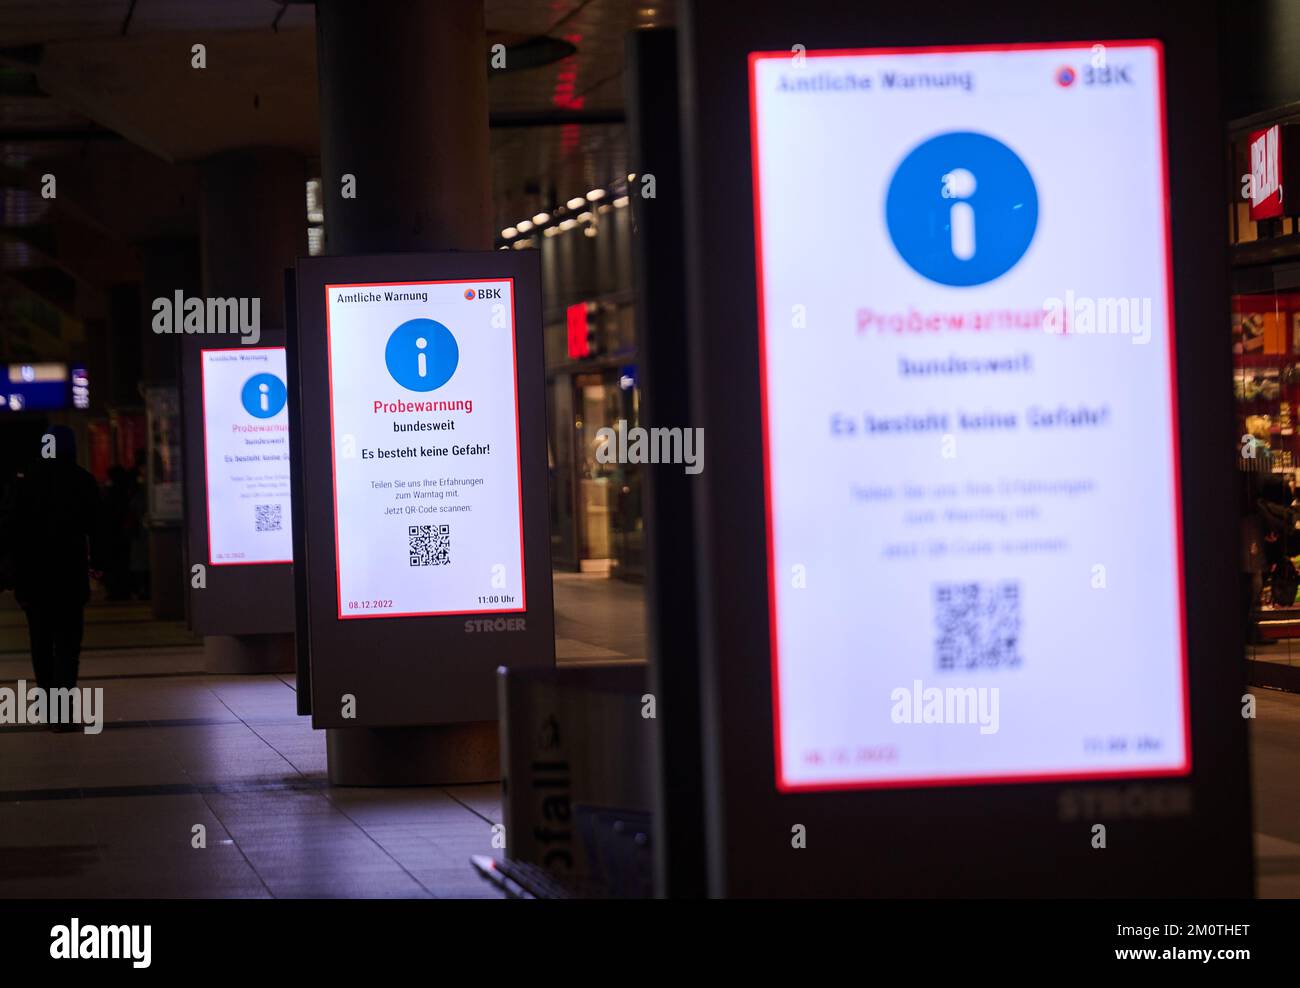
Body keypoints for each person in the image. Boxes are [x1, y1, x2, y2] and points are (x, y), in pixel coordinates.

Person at [9, 425, 102, 729]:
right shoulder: (82, 481)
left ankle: (47, 708)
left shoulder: (25, 483)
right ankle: (63, 712)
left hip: (33, 580)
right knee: (67, 646)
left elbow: (9, 532)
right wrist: (98, 565)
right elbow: (98, 530)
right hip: (69, 578)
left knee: (40, 644)